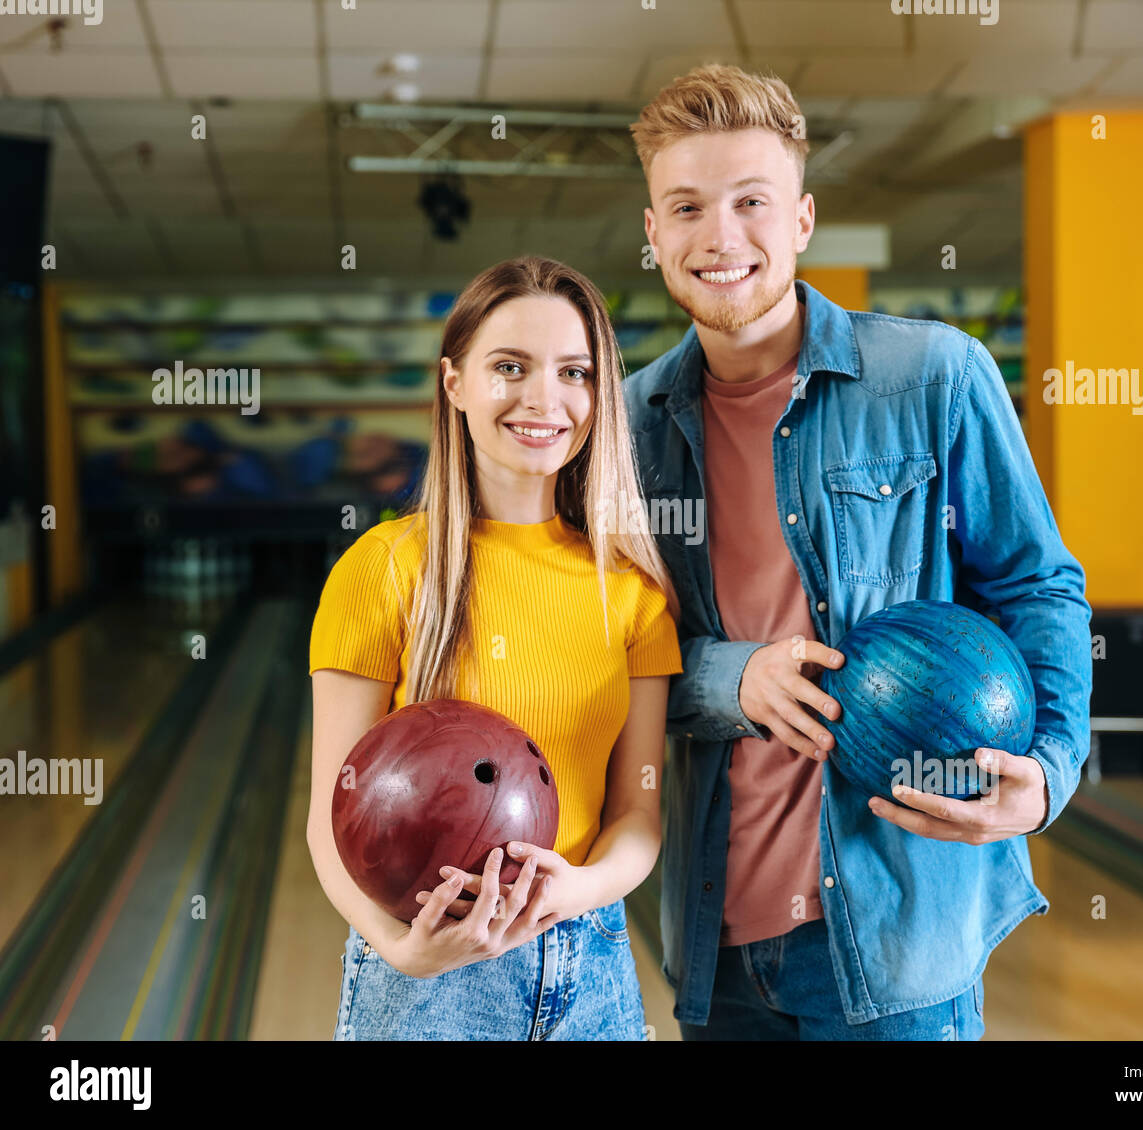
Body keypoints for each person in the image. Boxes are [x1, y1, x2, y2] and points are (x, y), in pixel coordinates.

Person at [623, 63, 1093, 1040]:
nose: (720, 235)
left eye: (751, 200)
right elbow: (605, 651)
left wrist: (1048, 767)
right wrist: (726, 677)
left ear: (800, 220)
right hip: (714, 947)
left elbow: (1036, 583)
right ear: (652, 232)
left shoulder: (931, 375)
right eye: (687, 206)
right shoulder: (626, 428)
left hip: (896, 941)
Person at [306, 256, 682, 1041]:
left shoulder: (634, 590)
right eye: (509, 366)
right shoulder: (383, 569)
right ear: (454, 385)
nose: (544, 398)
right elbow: (327, 820)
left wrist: (574, 889)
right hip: (428, 976)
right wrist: (402, 950)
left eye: (573, 372)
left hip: (592, 961)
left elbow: (638, 814)